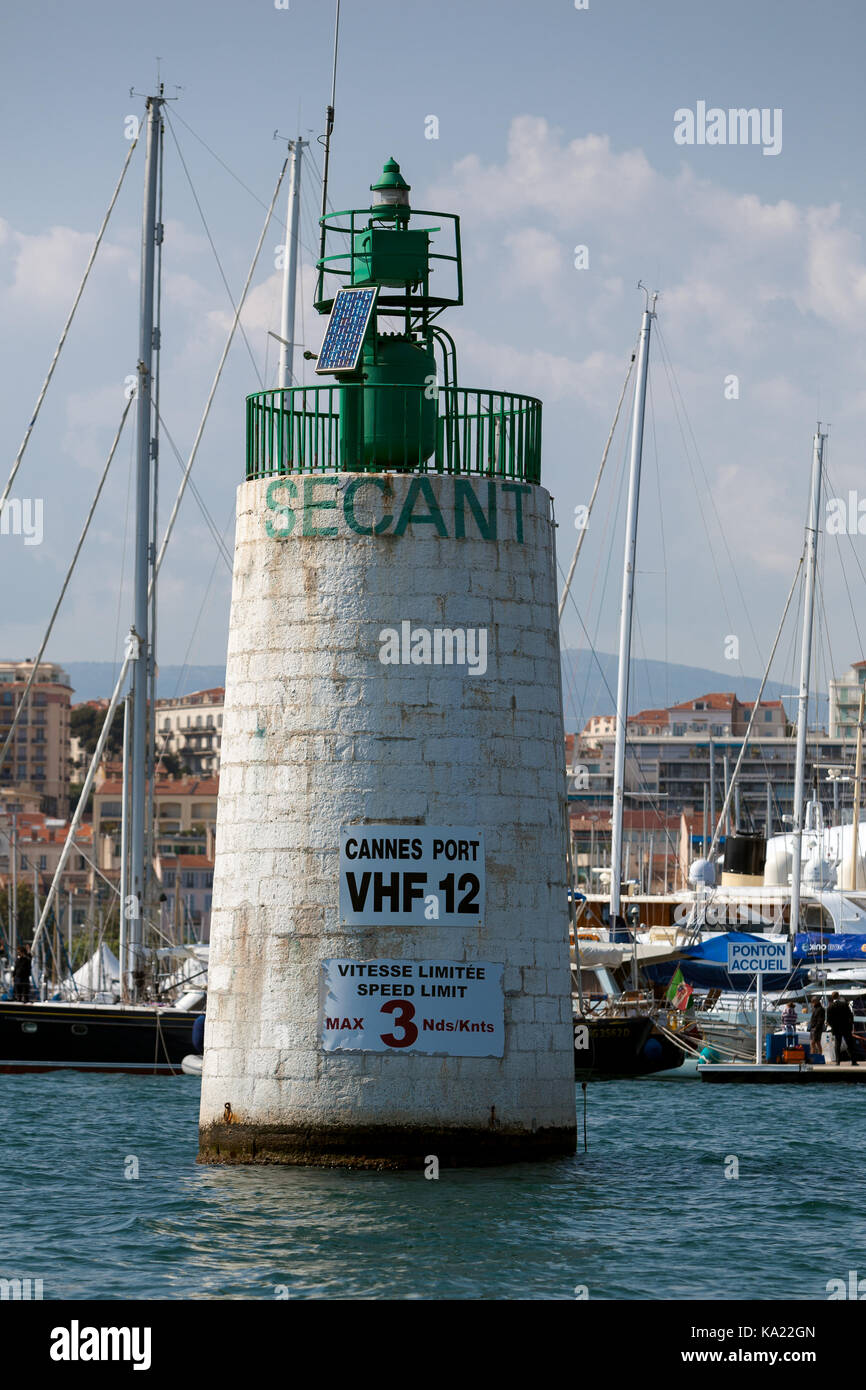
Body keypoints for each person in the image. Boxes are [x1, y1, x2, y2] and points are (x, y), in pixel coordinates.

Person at [827, 991, 859, 1066]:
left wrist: (833, 1027)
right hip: (846, 1028)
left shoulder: (830, 1007)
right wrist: (850, 1025)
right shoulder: (844, 1004)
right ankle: (853, 1061)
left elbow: (829, 1020)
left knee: (837, 1045)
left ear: (832, 997)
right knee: (850, 1045)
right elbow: (850, 1016)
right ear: (838, 996)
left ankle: (838, 1062)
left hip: (837, 1029)